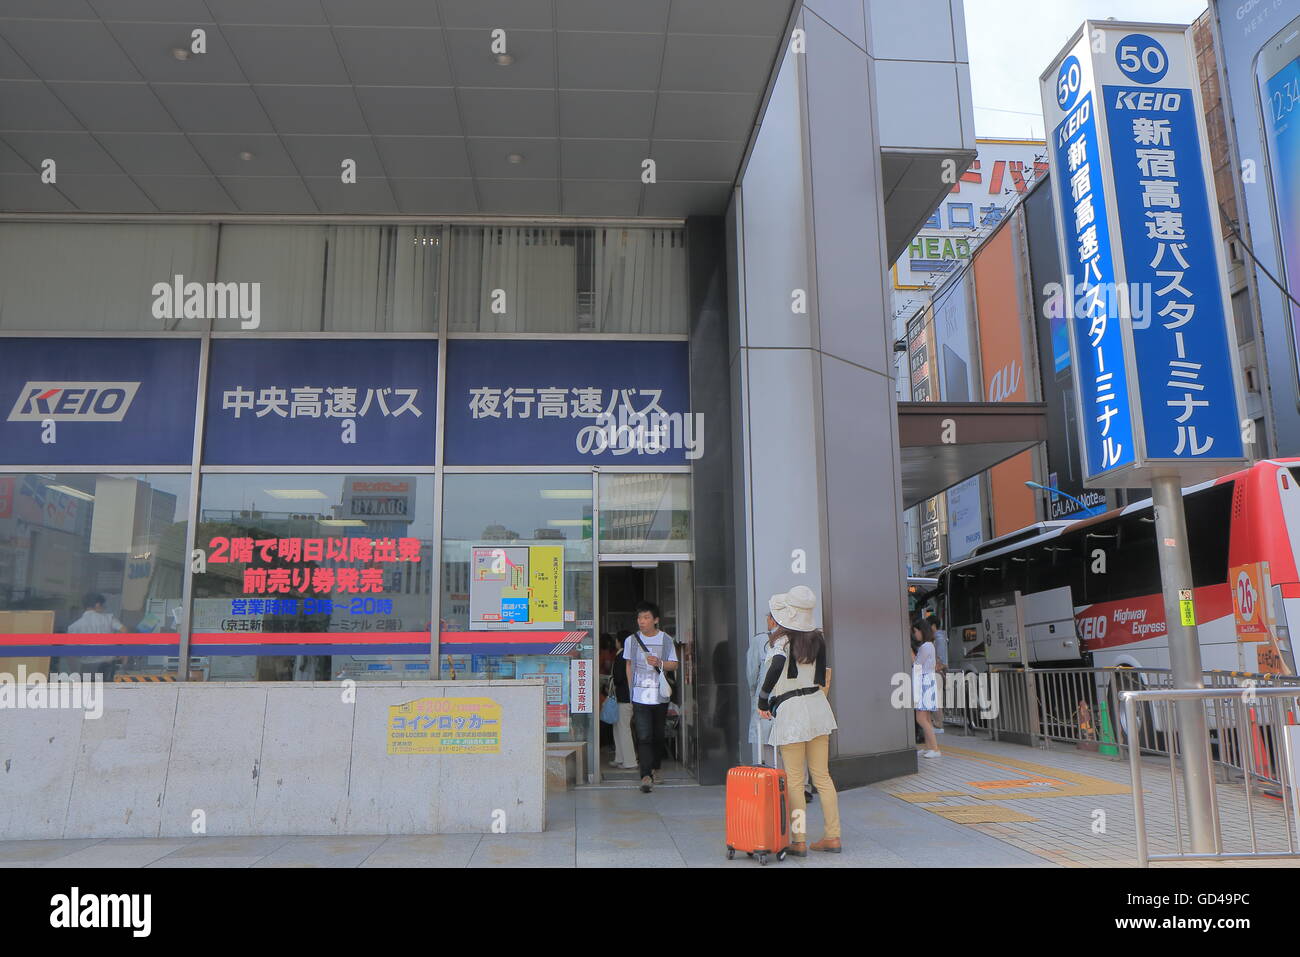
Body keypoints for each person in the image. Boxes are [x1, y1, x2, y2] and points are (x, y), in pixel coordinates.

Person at [757, 585, 841, 855]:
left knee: (794, 780)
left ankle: (799, 840)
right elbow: (823, 676)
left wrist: (763, 698)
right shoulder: (818, 640)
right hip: (818, 708)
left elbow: (777, 664)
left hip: (792, 712)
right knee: (823, 777)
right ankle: (833, 836)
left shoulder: (783, 641)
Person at [624, 601, 677, 792]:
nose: (642, 621)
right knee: (644, 735)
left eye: (646, 618)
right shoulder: (631, 640)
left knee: (657, 734)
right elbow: (628, 665)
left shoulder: (666, 639)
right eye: (639, 618)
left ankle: (655, 768)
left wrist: (661, 663)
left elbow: (674, 664)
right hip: (639, 695)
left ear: (656, 620)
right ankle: (645, 774)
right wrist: (631, 692)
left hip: (660, 695)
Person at [66, 593, 126, 681]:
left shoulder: (74, 626)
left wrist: (74, 673)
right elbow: (124, 630)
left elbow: (70, 654)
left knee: (89, 693)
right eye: (103, 606)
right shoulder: (109, 618)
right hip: (107, 665)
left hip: (87, 667)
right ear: (97, 605)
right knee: (108, 692)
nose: (104, 609)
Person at [912, 619, 941, 757]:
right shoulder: (930, 645)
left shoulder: (925, 647)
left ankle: (935, 749)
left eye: (916, 631)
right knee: (926, 717)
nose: (915, 635)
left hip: (923, 682)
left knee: (920, 718)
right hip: (928, 681)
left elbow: (917, 665)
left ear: (921, 631)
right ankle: (930, 747)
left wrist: (910, 653)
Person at [607, 634, 636, 770]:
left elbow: (618, 678)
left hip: (623, 698)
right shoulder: (632, 655)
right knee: (619, 728)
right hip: (629, 697)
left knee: (623, 729)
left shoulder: (621, 656)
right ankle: (620, 758)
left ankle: (629, 761)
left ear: (619, 642)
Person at [926, 611, 948, 733]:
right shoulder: (936, 638)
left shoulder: (939, 639)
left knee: (936, 700)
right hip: (937, 672)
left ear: (933, 625)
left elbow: (942, 661)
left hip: (938, 673)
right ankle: (937, 724)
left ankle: (938, 725)